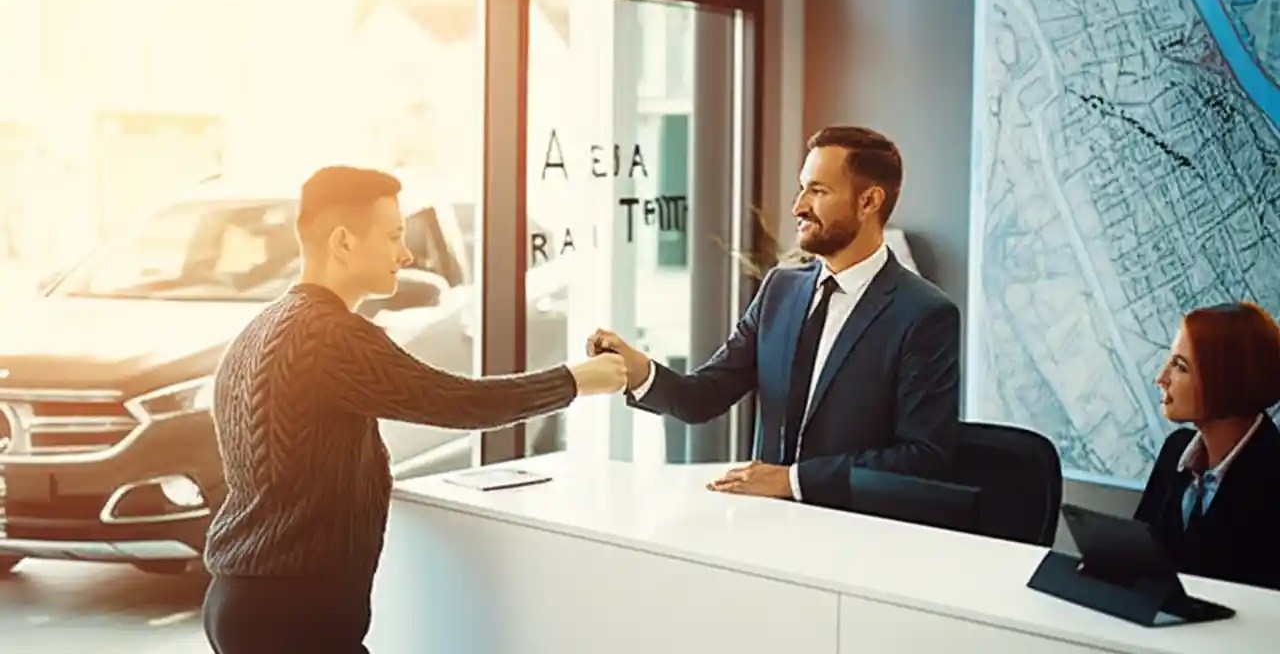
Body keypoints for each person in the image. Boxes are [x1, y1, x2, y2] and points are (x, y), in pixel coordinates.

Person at [201, 166, 627, 653]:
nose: (406, 254)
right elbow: (456, 401)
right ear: (343, 242)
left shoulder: (259, 329)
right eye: (393, 235)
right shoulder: (330, 336)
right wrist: (575, 381)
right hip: (294, 615)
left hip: (243, 598)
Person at [589, 126, 960, 508]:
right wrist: (640, 371)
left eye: (818, 191)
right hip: (763, 526)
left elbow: (923, 458)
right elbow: (704, 395)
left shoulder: (924, 315)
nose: (798, 206)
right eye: (803, 188)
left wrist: (793, 481)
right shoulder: (779, 290)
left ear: (869, 202)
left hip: (855, 538)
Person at [1136, 302, 1280, 591]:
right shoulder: (1175, 451)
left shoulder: (1273, 475)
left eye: (1179, 366)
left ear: (1226, 381)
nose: (1162, 378)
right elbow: (1141, 556)